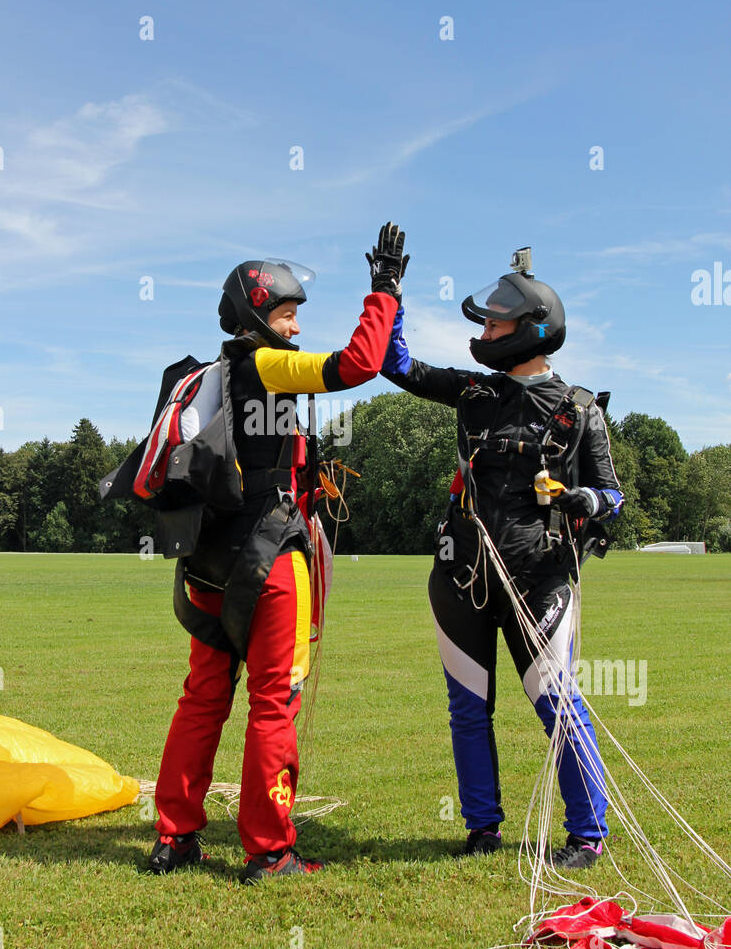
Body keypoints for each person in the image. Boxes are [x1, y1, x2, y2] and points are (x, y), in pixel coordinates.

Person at [149, 226, 405, 883]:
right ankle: (270, 849)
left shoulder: (206, 377)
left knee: (203, 697)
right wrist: (385, 293)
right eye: (288, 314)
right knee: (274, 702)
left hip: (206, 566)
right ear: (258, 316)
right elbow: (357, 365)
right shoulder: (261, 364)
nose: (294, 328)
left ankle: (174, 838)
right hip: (267, 565)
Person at [381, 250, 623, 869]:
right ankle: (481, 828)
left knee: (559, 706)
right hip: (462, 574)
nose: (482, 335)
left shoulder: (580, 408)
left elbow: (613, 496)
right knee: (468, 709)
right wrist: (388, 294)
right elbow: (396, 365)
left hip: (541, 580)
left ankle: (587, 834)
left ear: (530, 329)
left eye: (494, 326)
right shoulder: (473, 392)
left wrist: (580, 498)